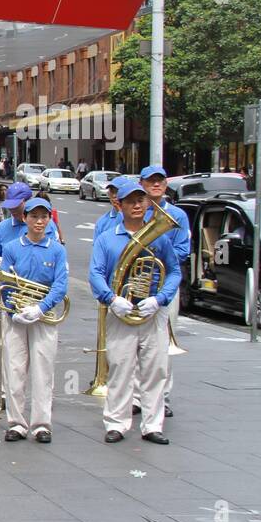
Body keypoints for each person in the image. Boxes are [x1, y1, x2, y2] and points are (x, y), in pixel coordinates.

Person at [88, 181, 179, 445]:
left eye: (141, 200)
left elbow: (173, 271)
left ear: (148, 203)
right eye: (131, 201)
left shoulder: (159, 238)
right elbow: (95, 273)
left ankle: (152, 425)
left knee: (155, 370)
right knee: (120, 368)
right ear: (120, 205)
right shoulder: (107, 238)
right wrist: (111, 298)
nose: (137, 205)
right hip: (121, 310)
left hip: (151, 310)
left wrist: (160, 298)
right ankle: (117, 423)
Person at [0, 198, 68, 444]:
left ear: (49, 219)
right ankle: (16, 423)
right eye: (34, 216)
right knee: (14, 370)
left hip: (44, 317)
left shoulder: (57, 250)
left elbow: (60, 286)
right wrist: (12, 311)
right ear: (25, 218)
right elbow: (5, 281)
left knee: (43, 371)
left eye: (44, 217)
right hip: (17, 316)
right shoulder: (12, 247)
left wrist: (40, 308)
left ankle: (41, 424)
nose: (39, 221)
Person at [140, 164, 190, 416]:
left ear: (166, 184)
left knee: (162, 343)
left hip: (165, 281)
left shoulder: (178, 216)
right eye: (150, 181)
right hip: (138, 282)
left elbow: (182, 250)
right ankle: (138, 397)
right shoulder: (136, 211)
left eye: (159, 181)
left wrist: (158, 254)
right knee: (135, 343)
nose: (155, 185)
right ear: (142, 184)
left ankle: (163, 397)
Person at [0, 182, 32, 262]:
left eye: (16, 205)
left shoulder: (44, 226)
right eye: (10, 205)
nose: (12, 209)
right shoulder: (2, 228)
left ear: (27, 202)